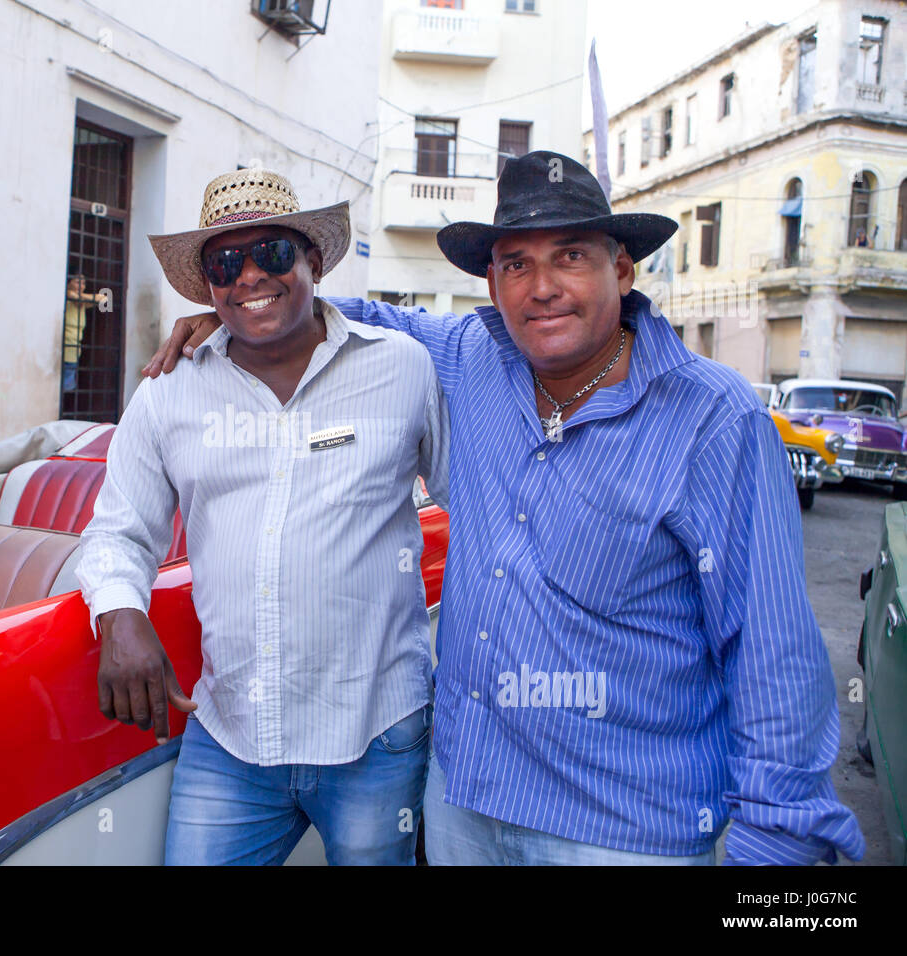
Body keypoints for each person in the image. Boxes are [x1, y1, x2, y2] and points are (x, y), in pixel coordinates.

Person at [147, 151, 865, 866]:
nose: (542, 287)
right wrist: (241, 315)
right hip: (466, 805)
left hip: (624, 831)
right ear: (492, 284)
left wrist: (778, 848)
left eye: (571, 256)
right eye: (516, 263)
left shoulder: (716, 419)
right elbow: (345, 323)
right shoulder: (471, 359)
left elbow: (772, 655)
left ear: (622, 269)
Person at [76, 167, 449, 865]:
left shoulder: (402, 369)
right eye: (225, 262)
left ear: (313, 260)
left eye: (272, 253)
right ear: (208, 285)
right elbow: (119, 531)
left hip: (378, 733)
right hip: (232, 740)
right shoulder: (168, 391)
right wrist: (120, 614)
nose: (249, 276)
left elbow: (473, 502)